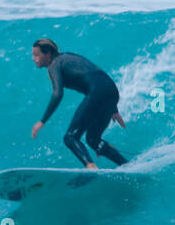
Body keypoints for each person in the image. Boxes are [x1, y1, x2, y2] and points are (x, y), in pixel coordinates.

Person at [29, 38, 129, 168]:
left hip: (98, 93)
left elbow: (57, 93)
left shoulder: (54, 65)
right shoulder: (69, 56)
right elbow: (98, 76)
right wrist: (112, 107)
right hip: (111, 90)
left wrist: (42, 121)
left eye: (36, 55)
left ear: (47, 54)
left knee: (70, 137)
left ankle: (91, 168)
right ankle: (127, 165)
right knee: (93, 140)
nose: (33, 58)